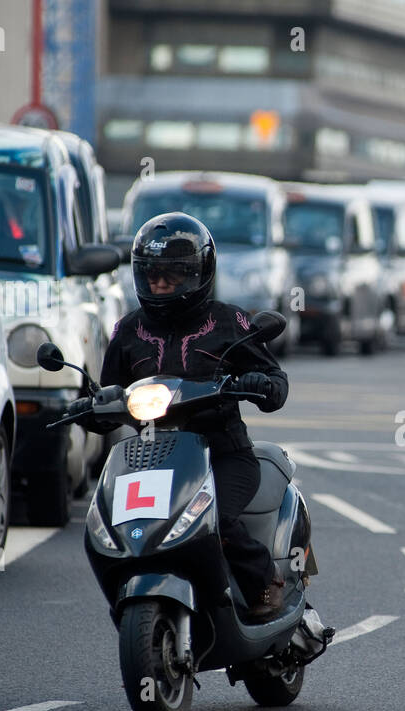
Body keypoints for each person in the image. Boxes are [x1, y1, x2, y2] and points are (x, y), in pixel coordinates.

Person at [83, 212, 289, 619]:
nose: (159, 284)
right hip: (149, 460)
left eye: (172, 275)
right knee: (111, 528)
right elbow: (105, 396)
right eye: (151, 274)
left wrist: (261, 383)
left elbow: (276, 383)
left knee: (216, 522)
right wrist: (87, 406)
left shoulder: (229, 321)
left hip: (223, 455)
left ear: (199, 273)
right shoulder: (127, 330)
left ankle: (265, 584)